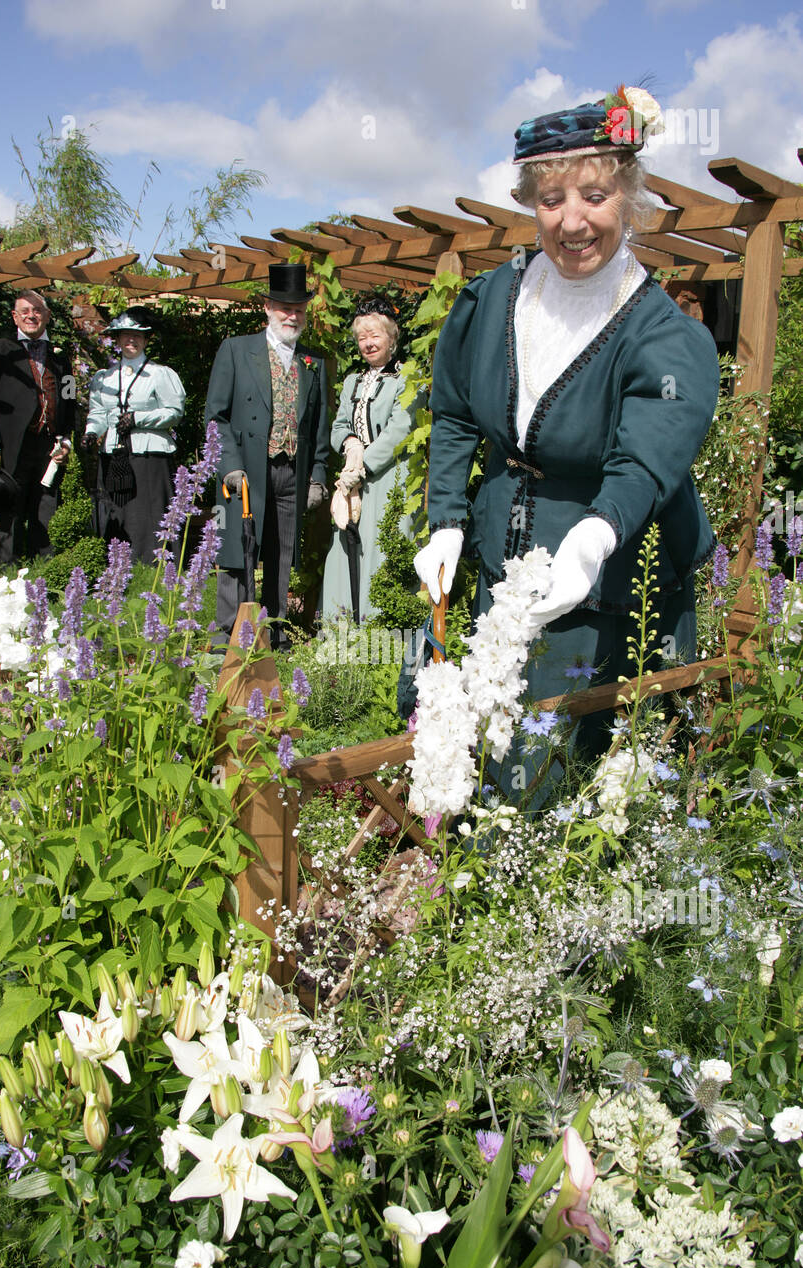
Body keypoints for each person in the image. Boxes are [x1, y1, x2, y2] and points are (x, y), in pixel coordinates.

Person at [414, 86, 720, 780]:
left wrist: (593, 538)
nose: (572, 221)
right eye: (552, 200)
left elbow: (646, 460)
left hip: (611, 581)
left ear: (631, 198)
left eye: (595, 195)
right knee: (487, 739)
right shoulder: (491, 298)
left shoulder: (662, 335)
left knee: (565, 769)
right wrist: (447, 521)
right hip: (505, 559)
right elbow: (457, 412)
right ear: (528, 202)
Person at [204, 263, 329, 650]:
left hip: (292, 471)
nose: (292, 315)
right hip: (244, 470)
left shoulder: (316, 361)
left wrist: (318, 475)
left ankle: (272, 635)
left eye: (299, 309)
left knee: (282, 553)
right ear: (268, 309)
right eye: (283, 307)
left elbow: (319, 427)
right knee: (237, 549)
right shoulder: (237, 349)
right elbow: (216, 417)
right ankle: (230, 636)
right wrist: (229, 466)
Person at [321, 295, 418, 623]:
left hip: (387, 479)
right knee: (344, 551)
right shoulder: (352, 382)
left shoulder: (408, 379)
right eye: (362, 337)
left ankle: (380, 636)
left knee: (380, 551)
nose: (368, 343)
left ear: (391, 338)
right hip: (350, 481)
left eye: (375, 335)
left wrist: (362, 466)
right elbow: (338, 426)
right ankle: (341, 633)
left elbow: (399, 430)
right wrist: (349, 444)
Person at [0, 290, 75, 563]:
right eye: (25, 312)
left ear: (47, 316)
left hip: (49, 446)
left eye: (37, 311)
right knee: (10, 507)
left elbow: (70, 398)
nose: (31, 316)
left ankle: (42, 568)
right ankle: (4, 571)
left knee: (46, 506)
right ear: (15, 317)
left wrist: (66, 439)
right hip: (12, 443)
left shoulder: (61, 357)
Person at [82, 311, 186, 565]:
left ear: (146, 340)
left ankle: (153, 570)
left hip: (149, 456)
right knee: (118, 513)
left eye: (137, 336)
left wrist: (138, 418)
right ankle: (118, 568)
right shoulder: (103, 378)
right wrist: (91, 433)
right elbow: (98, 413)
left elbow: (175, 412)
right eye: (126, 335)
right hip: (115, 456)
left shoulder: (161, 374)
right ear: (116, 340)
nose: (131, 341)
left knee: (149, 514)